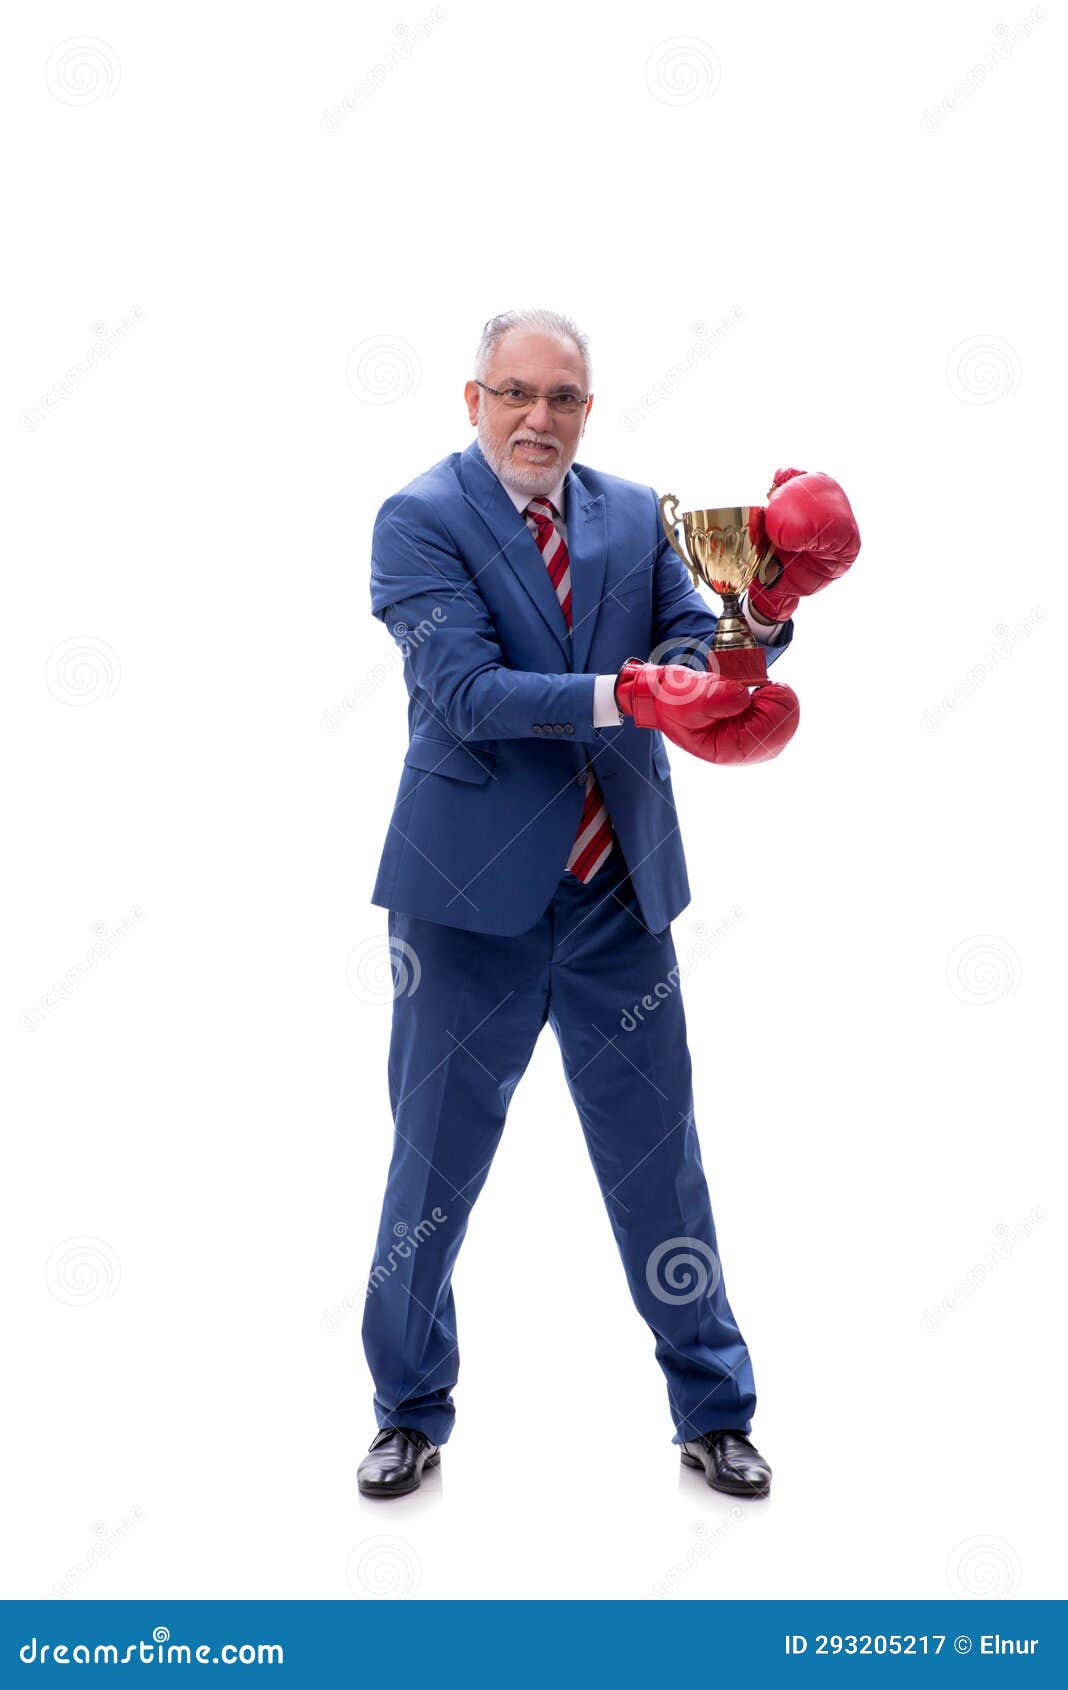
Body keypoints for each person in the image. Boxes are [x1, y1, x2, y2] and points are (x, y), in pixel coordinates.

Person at [358, 307, 860, 1498]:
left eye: (565, 398)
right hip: (467, 905)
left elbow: (701, 642)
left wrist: (769, 610)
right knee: (431, 1169)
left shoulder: (634, 514)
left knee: (661, 1163)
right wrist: (631, 695)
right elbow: (469, 692)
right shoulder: (418, 520)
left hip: (616, 895)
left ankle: (714, 1410)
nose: (541, 417)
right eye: (517, 393)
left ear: (590, 407)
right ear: (471, 399)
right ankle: (407, 1409)